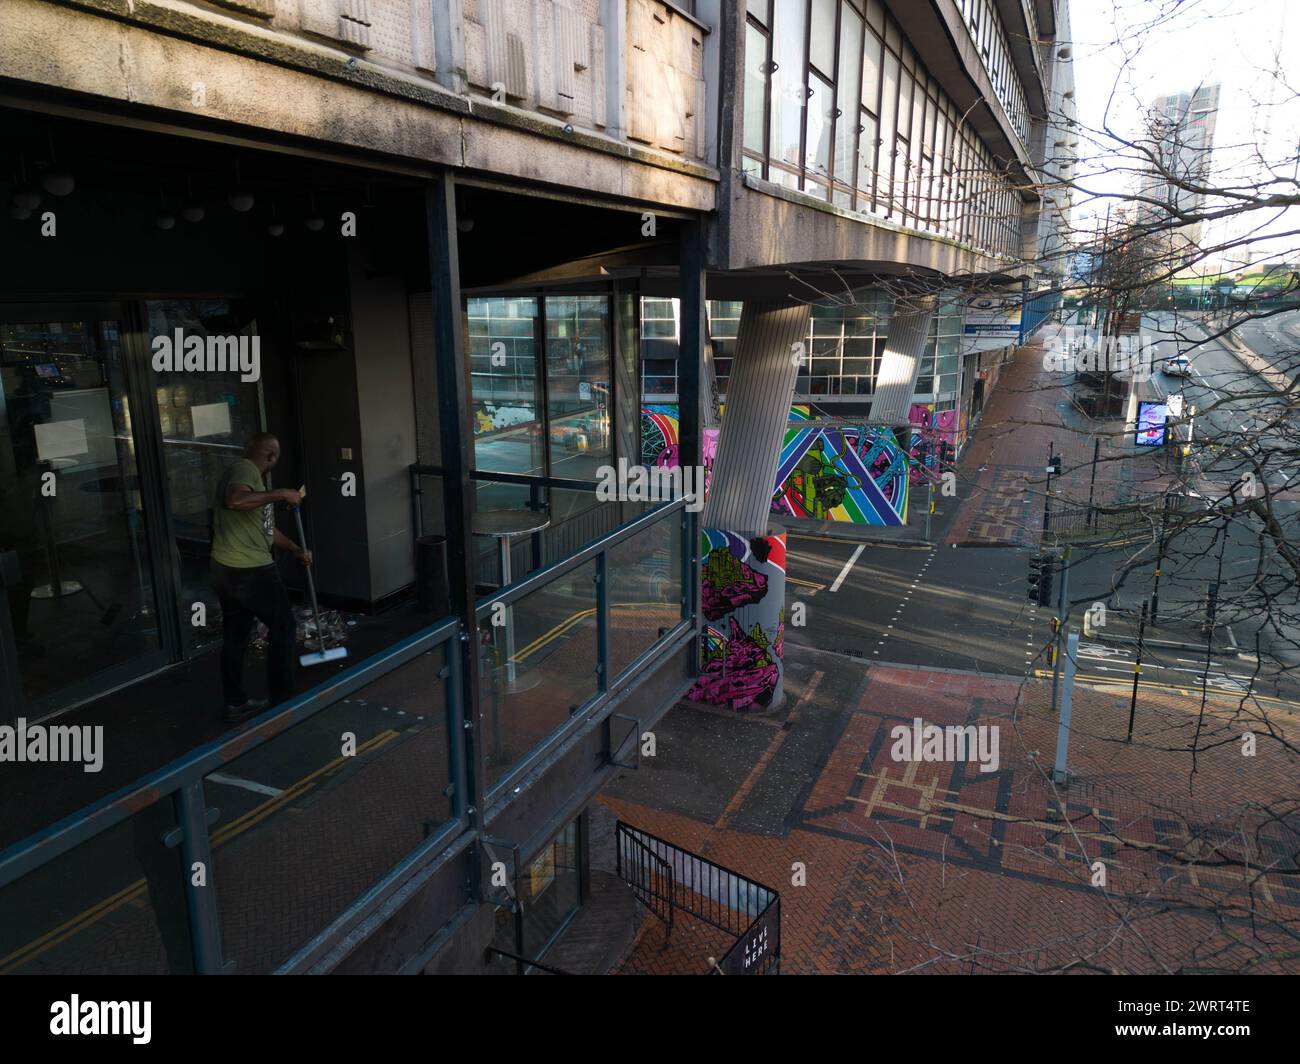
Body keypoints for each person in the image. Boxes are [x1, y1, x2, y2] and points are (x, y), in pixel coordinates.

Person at [210, 432, 311, 723]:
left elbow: (267, 531)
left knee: (236, 636)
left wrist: (294, 549)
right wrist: (281, 494)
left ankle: (235, 702)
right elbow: (235, 500)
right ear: (271, 457)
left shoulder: (257, 485)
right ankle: (283, 701)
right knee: (284, 627)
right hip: (251, 571)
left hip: (225, 569)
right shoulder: (244, 470)